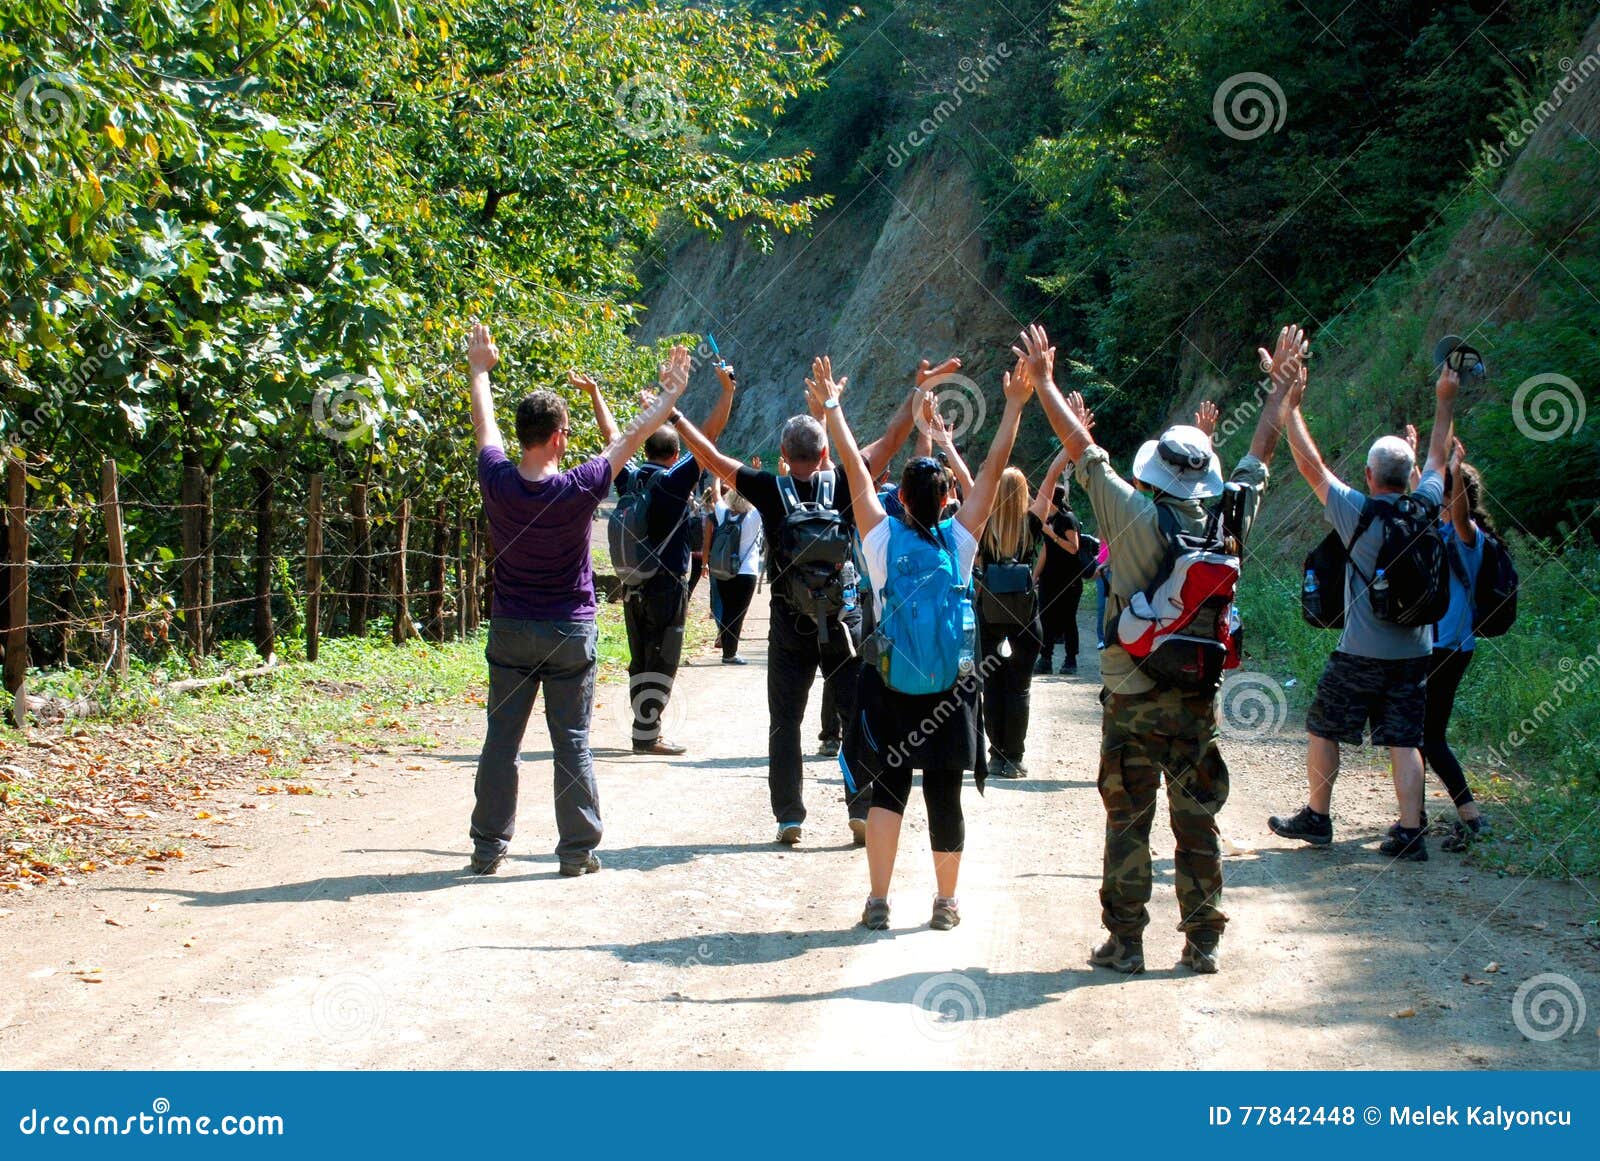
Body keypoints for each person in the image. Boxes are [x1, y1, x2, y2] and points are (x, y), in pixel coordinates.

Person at [1025, 321, 1306, 975]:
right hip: (1197, 698)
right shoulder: (1230, 519)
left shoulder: (1132, 515)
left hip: (1131, 697)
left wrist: (1043, 382)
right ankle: (1202, 940)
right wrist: (1278, 389)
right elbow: (1259, 455)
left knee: (1128, 820)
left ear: (1154, 476)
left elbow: (1084, 449)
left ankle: (1126, 943)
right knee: (1196, 818)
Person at [674, 359, 950, 845]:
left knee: (785, 721)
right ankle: (859, 806)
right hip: (843, 620)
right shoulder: (844, 481)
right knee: (853, 715)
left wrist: (674, 416)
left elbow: (712, 458)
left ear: (783, 454)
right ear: (825, 452)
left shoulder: (767, 488)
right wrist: (917, 391)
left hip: (789, 622)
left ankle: (790, 816)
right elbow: (891, 441)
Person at [811, 352, 1032, 931]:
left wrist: (833, 406)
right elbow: (993, 471)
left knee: (888, 794)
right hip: (949, 692)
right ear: (947, 498)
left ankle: (878, 901)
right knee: (944, 795)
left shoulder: (882, 539)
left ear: (902, 500)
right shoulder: (960, 540)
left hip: (891, 687)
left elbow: (856, 471)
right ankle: (945, 903)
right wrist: (1013, 406)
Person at [466, 325, 688, 877]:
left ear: (523, 435)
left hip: (512, 629)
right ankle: (576, 851)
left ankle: (488, 848)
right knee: (571, 742)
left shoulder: (496, 478)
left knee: (501, 741)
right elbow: (631, 437)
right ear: (560, 437)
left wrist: (479, 370)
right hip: (569, 629)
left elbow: (484, 425)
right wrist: (669, 395)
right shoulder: (580, 485)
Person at [1268, 359, 1461, 863]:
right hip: (1416, 652)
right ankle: (1410, 832)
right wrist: (1445, 399)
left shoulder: (1356, 509)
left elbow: (1310, 466)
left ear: (1370, 475)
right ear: (1407, 477)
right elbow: (1439, 457)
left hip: (1359, 651)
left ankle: (1318, 817)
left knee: (1323, 727)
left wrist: (1292, 407)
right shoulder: (1425, 505)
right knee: (1405, 740)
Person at [578, 360, 736, 756]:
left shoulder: (629, 478)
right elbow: (709, 439)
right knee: (663, 658)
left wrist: (596, 394)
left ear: (645, 449)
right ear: (676, 453)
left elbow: (612, 437)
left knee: (640, 657)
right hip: (667, 586)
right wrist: (727, 392)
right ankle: (648, 734)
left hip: (633, 583)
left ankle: (642, 730)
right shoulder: (672, 483)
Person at [1424, 438, 1490, 851]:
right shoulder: (1442, 531)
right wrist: (1424, 468)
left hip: (1448, 648)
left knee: (1428, 737)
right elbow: (1423, 502)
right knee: (1416, 734)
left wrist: (1454, 472)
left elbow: (1459, 514)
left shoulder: (1468, 537)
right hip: (1435, 646)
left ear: (1455, 497)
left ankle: (1470, 816)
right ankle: (1415, 815)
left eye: (1444, 493)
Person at [975, 465, 1044, 778]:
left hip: (990, 616)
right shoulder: (1032, 524)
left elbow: (968, 483)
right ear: (1025, 492)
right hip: (1025, 619)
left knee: (992, 687)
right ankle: (1014, 758)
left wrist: (948, 447)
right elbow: (1050, 485)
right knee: (1019, 690)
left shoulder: (984, 523)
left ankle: (996, 755)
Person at [1033, 449, 1082, 675]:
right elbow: (1045, 549)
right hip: (1049, 579)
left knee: (1068, 619)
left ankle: (1070, 660)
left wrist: (1052, 534)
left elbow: (1074, 547)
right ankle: (1046, 658)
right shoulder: (1048, 519)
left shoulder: (1067, 519)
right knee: (1046, 618)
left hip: (1069, 580)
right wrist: (1035, 575)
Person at [707, 478, 764, 665]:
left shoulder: (723, 513)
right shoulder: (754, 516)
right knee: (737, 614)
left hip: (723, 570)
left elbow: (716, 494)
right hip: (746, 572)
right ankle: (729, 654)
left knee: (727, 610)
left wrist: (715, 474)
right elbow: (764, 499)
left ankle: (727, 650)